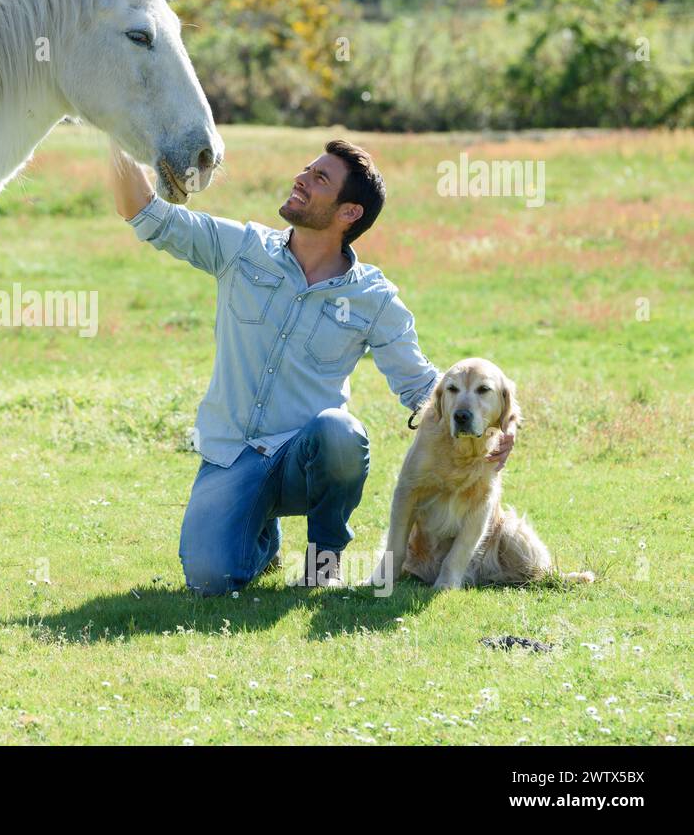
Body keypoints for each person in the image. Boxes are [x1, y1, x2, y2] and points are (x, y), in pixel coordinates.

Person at [110, 139, 515, 592]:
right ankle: (260, 537)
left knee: (341, 433)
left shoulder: (373, 298)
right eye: (307, 169)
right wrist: (114, 131)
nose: (301, 178)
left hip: (307, 457)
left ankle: (324, 564)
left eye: (320, 178)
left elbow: (422, 386)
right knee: (211, 579)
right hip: (231, 456)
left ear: (349, 213)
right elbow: (145, 215)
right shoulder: (242, 248)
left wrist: (497, 420)